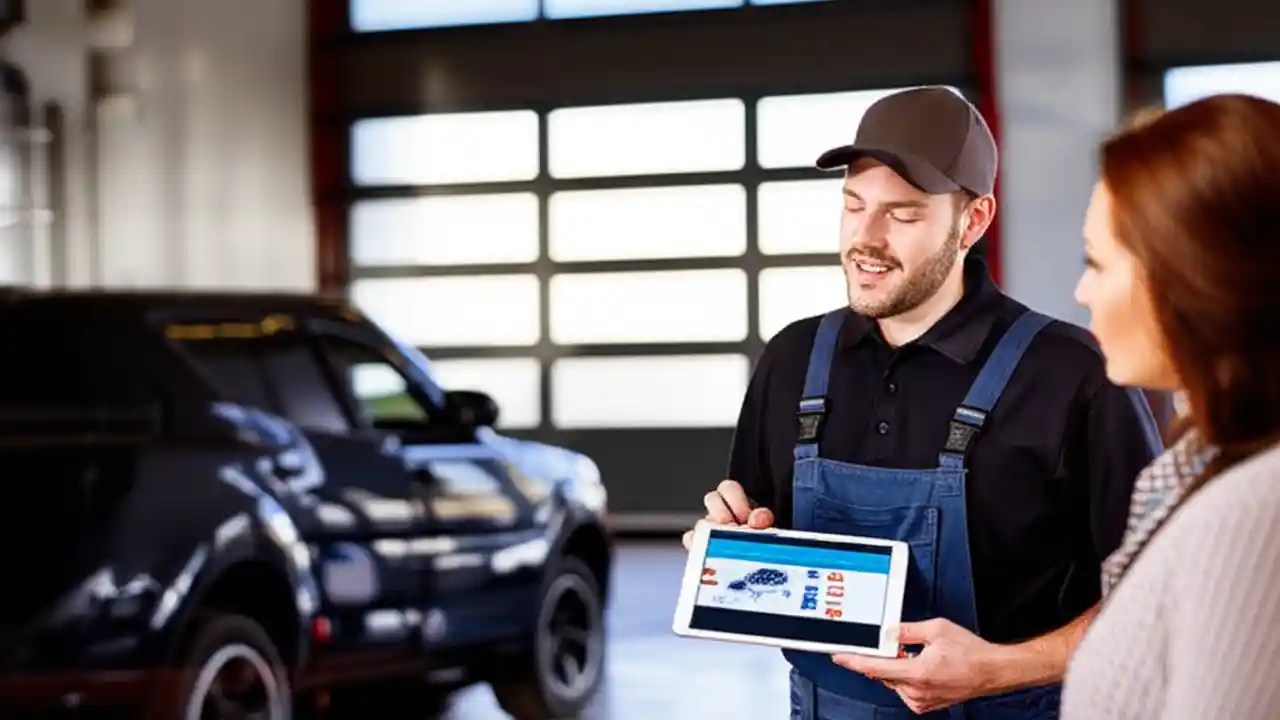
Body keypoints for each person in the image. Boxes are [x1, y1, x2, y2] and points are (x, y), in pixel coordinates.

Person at [682, 86, 1163, 719]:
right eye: (854, 205)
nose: (867, 238)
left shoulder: (1075, 375)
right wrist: (733, 545)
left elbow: (1156, 601)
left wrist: (1002, 668)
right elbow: (762, 543)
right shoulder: (792, 359)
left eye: (903, 215)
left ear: (975, 221)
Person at [1061, 93, 1280, 718]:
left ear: (1190, 282)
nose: (1081, 292)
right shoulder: (1202, 464)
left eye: (1097, 264)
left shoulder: (1250, 516)